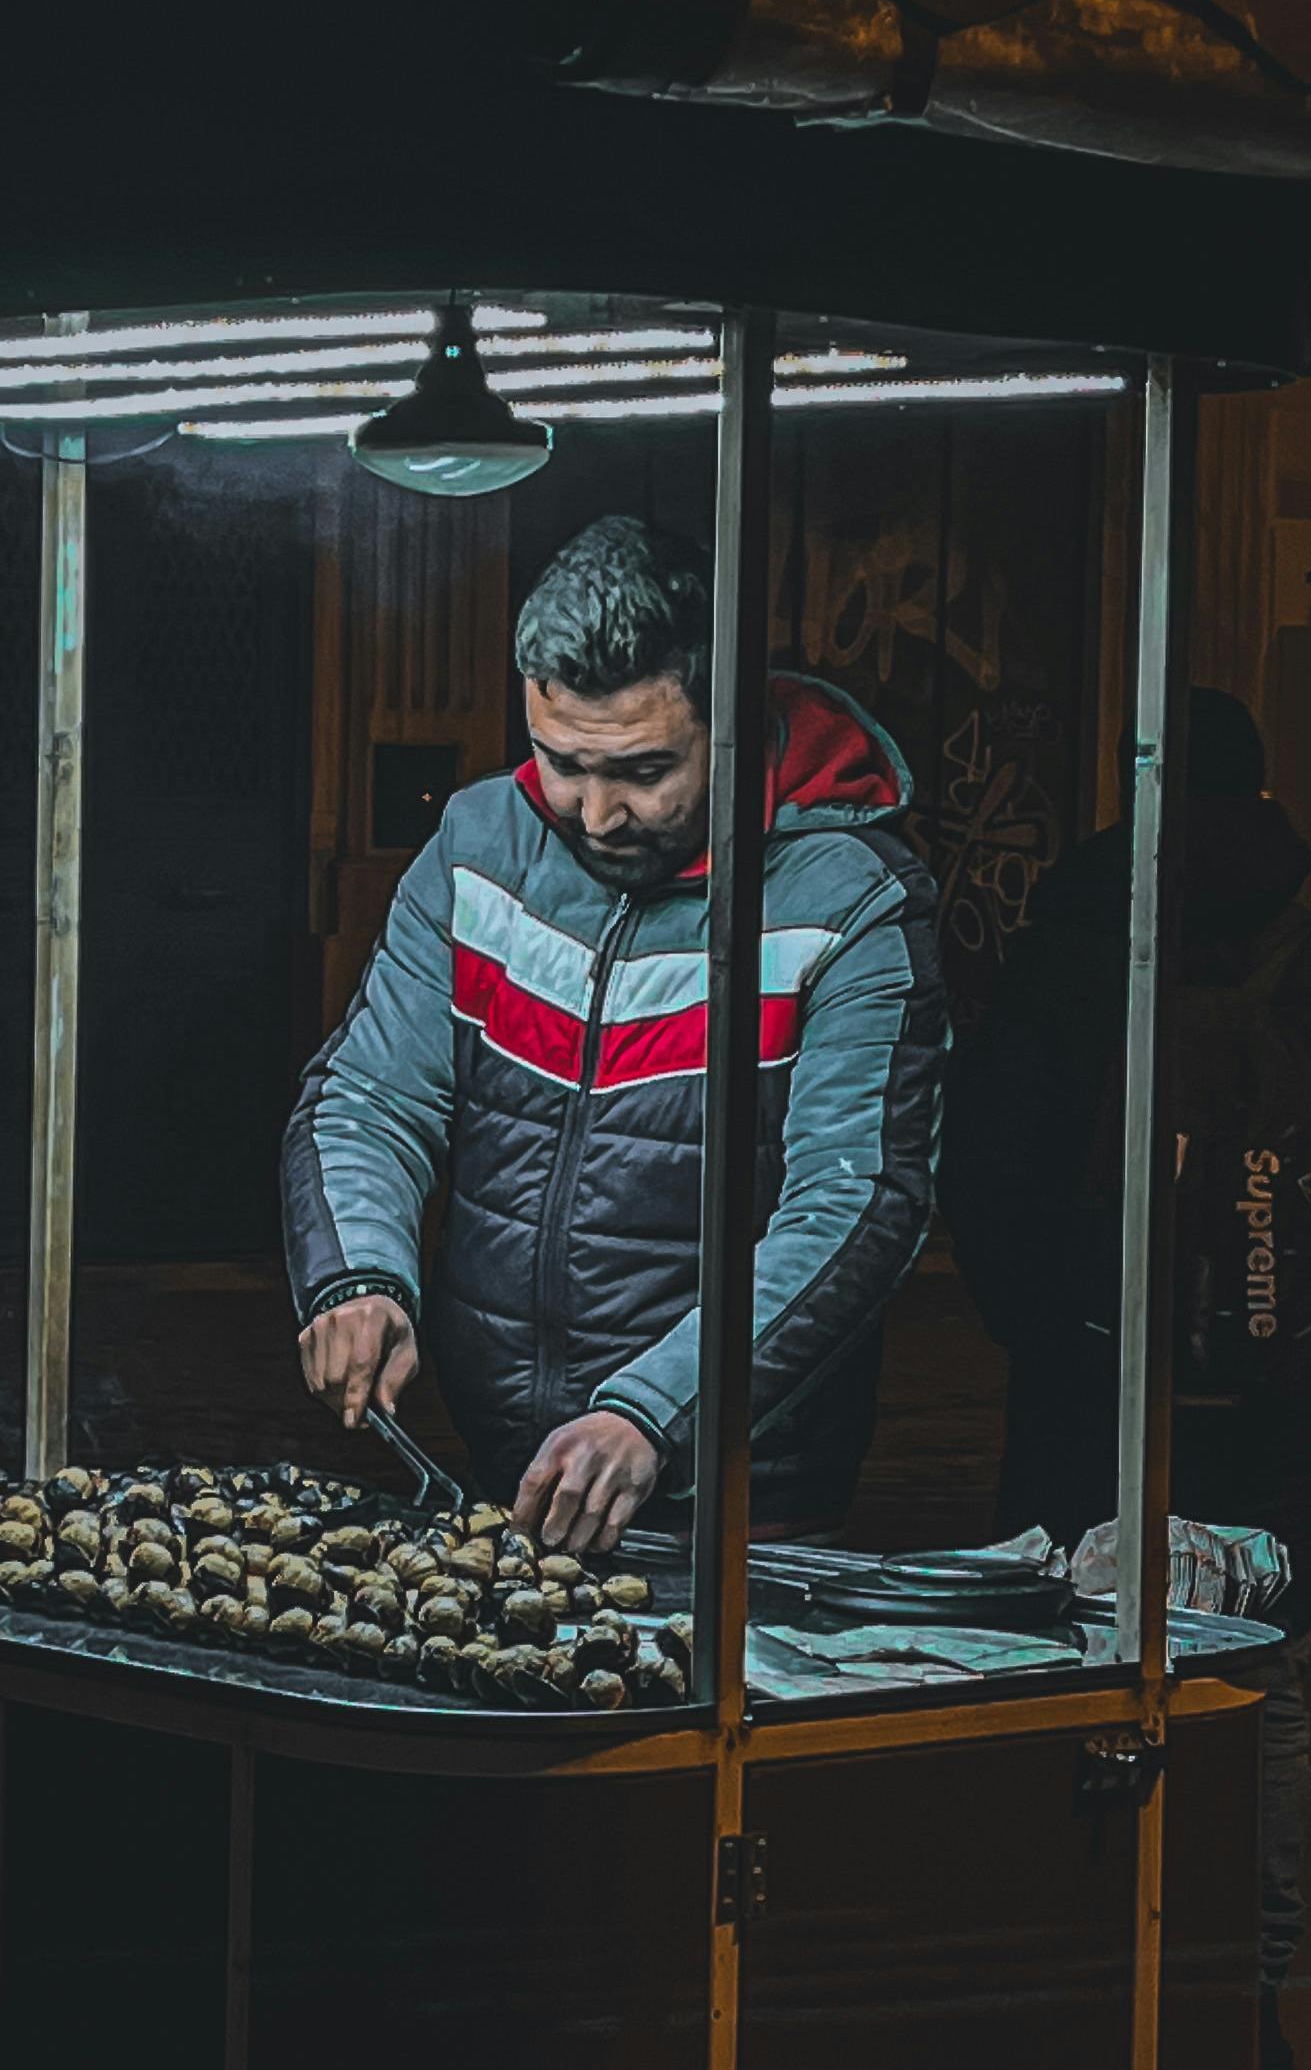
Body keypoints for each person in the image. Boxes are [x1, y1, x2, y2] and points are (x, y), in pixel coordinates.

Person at [944, 689, 1311, 2070]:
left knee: (1072, 1669)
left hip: (1089, 1404)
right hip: (1277, 1410)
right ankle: (1249, 2000)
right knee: (1262, 1685)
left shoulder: (1066, 949)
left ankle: (1080, 1965)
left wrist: (1058, 1335)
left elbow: (985, 1175)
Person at [282, 515, 945, 1556]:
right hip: (504, 1470)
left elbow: (857, 1205)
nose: (596, 815)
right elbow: (370, 1099)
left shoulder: (853, 901)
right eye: (562, 763)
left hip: (747, 1502)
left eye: (642, 771)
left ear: (726, 718)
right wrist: (359, 1274)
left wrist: (655, 1413)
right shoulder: (475, 845)